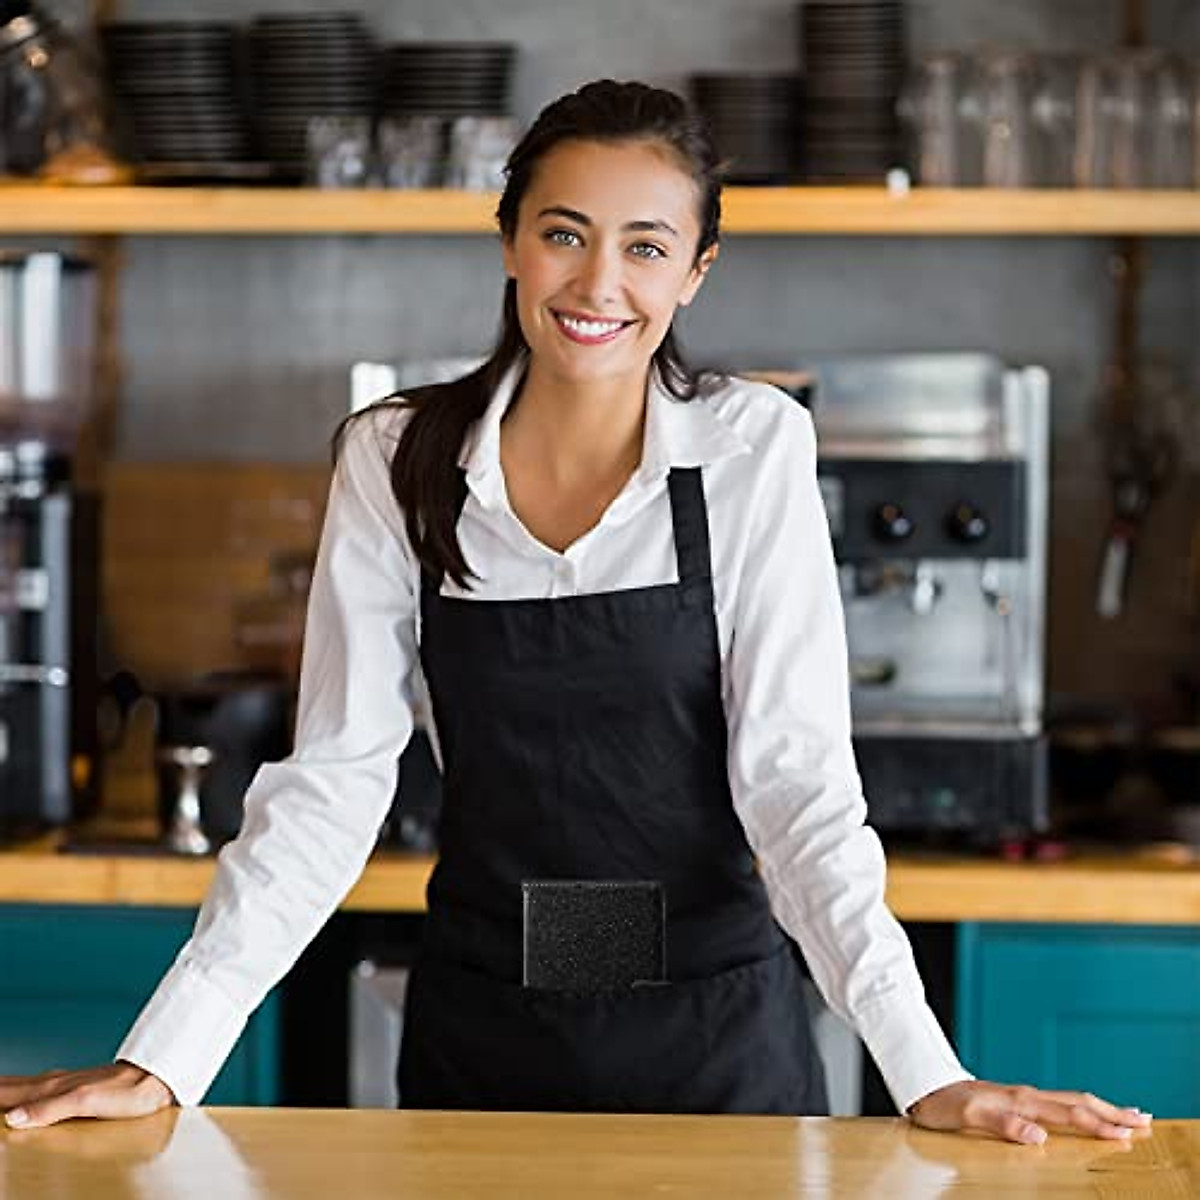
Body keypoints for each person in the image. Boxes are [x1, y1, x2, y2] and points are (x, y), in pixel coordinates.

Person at [2, 80, 1151, 1143]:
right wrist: (165, 1060)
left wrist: (926, 1071)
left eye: (646, 247)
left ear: (696, 270)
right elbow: (336, 780)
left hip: (715, 1045)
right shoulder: (398, 457)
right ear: (509, 239)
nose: (599, 285)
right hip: (484, 1035)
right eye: (564, 234)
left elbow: (794, 787)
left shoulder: (751, 450)